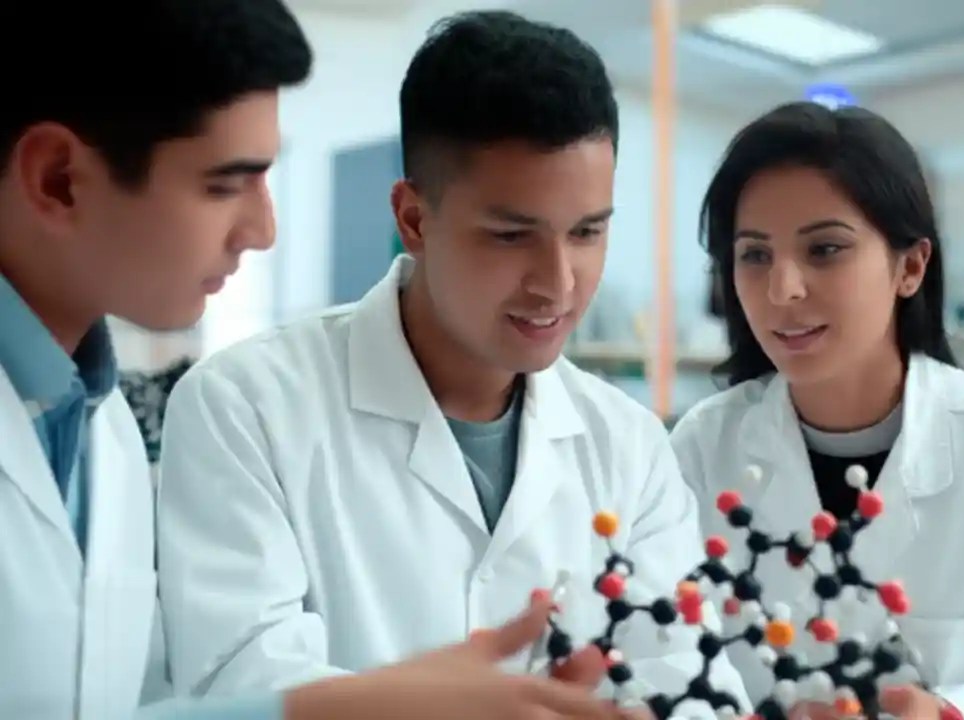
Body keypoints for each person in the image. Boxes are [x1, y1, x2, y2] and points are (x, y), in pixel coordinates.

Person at [0, 2, 629, 719]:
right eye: (225, 184)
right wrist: (362, 708)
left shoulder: (95, 420)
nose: (264, 229)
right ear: (57, 180)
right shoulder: (232, 403)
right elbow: (234, 673)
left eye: (587, 232)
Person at [154, 9, 747, 719]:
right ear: (413, 219)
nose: (557, 282)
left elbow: (687, 682)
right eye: (510, 235)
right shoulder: (245, 406)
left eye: (587, 232)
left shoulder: (630, 445)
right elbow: (242, 686)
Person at [669, 102, 964, 720]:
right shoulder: (703, 449)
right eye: (755, 254)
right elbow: (666, 661)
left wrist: (951, 712)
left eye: (826, 249)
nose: (783, 288)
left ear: (911, 266)